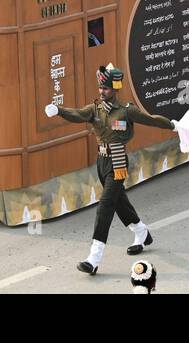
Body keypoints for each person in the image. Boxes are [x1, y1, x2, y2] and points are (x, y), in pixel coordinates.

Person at [44, 64, 177, 275]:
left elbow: (151, 120)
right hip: (102, 161)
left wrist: (173, 125)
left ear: (115, 89)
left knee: (105, 205)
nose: (101, 91)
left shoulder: (126, 111)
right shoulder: (94, 109)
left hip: (117, 161)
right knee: (119, 203)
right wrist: (59, 111)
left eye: (105, 88)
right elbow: (77, 114)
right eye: (100, 88)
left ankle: (94, 257)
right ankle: (142, 233)